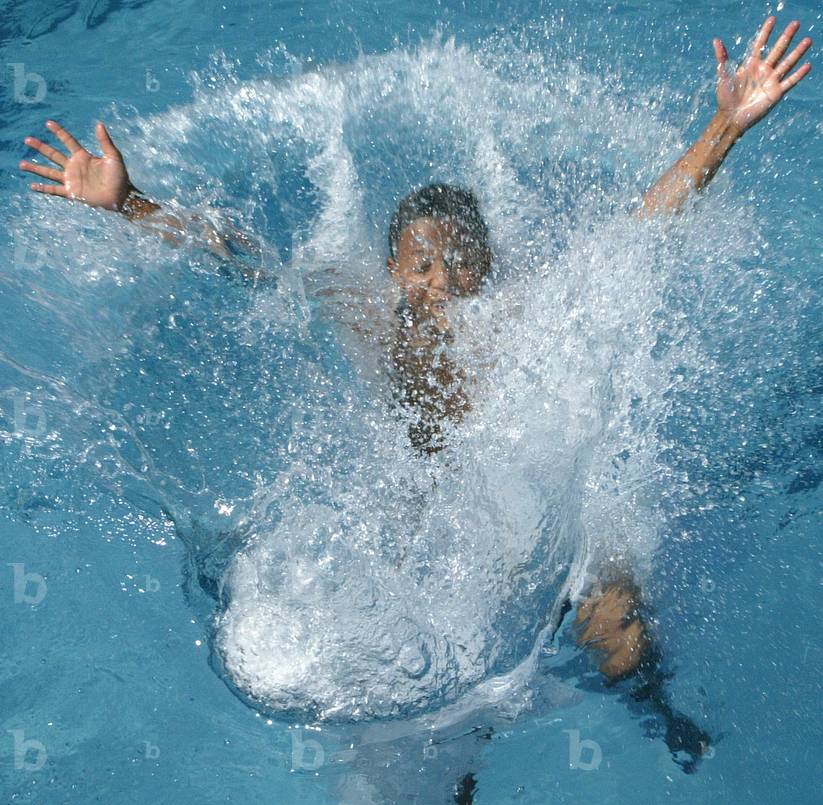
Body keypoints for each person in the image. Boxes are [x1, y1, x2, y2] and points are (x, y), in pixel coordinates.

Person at [19, 15, 812, 688]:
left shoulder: (514, 318)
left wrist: (724, 128)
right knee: (420, 664)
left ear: (489, 267)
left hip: (526, 498)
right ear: (394, 268)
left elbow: (641, 228)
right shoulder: (365, 318)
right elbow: (242, 260)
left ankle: (653, 711)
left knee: (615, 613)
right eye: (423, 262)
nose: (444, 278)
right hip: (424, 518)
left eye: (463, 259)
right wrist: (129, 203)